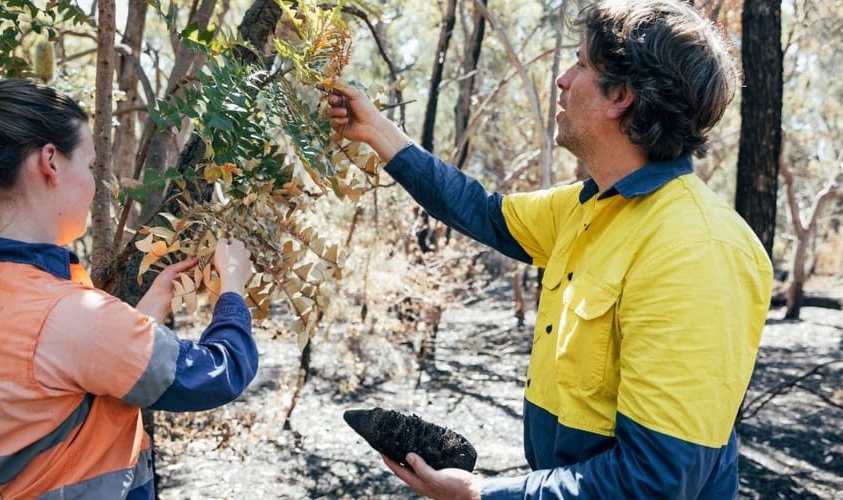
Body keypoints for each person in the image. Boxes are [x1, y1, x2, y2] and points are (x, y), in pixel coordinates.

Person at [325, 0, 773, 498]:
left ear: (621, 95)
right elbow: (485, 213)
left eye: (580, 64)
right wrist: (376, 130)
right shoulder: (589, 207)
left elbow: (653, 482)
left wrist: (480, 494)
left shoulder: (697, 249)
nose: (563, 79)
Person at [0, 79, 259, 499]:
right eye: (91, 165)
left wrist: (141, 321)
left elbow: (53, 387)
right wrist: (233, 289)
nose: (96, 183)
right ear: (50, 162)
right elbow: (219, 373)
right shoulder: (64, 314)